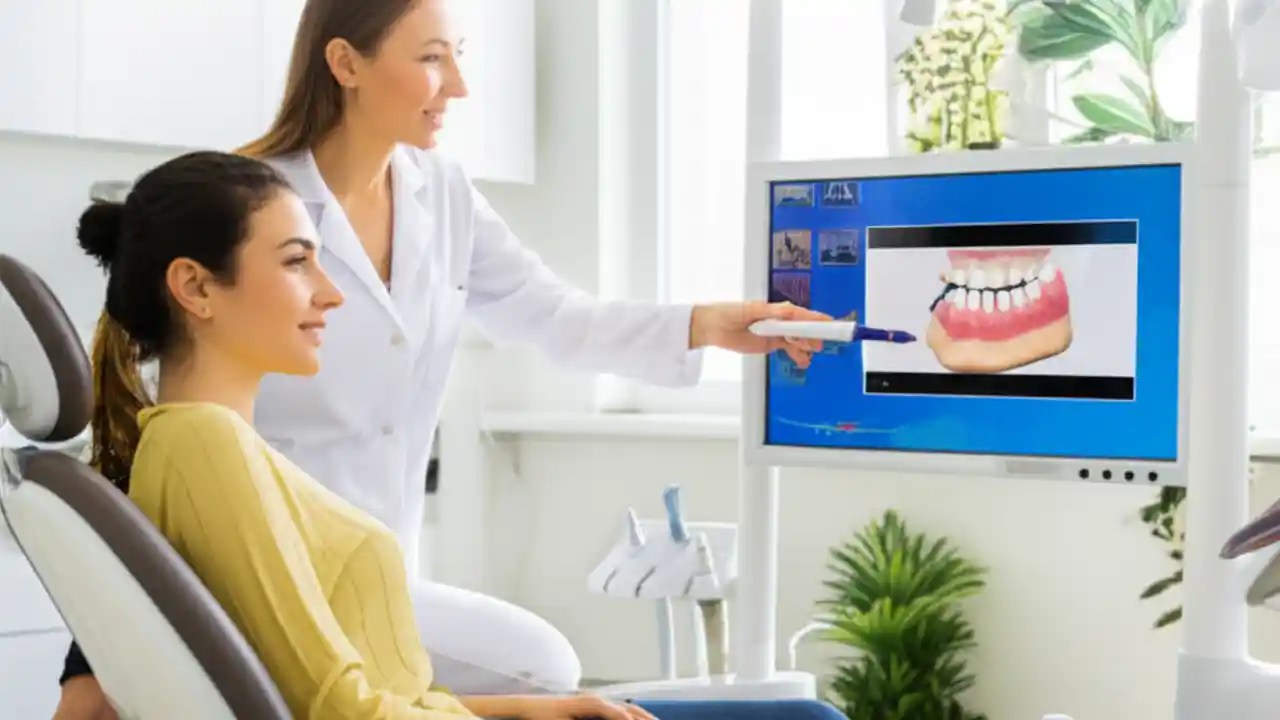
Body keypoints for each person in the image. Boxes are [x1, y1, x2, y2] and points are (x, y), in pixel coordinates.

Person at [53, 0, 829, 715]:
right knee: (541, 666)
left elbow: (555, 315)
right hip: (272, 553)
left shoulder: (443, 194)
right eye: (431, 58)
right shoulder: (257, 207)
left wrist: (705, 324)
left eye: (456, 56)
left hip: (372, 557)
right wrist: (95, 657)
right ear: (346, 64)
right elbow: (186, 430)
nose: (457, 84)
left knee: (529, 680)